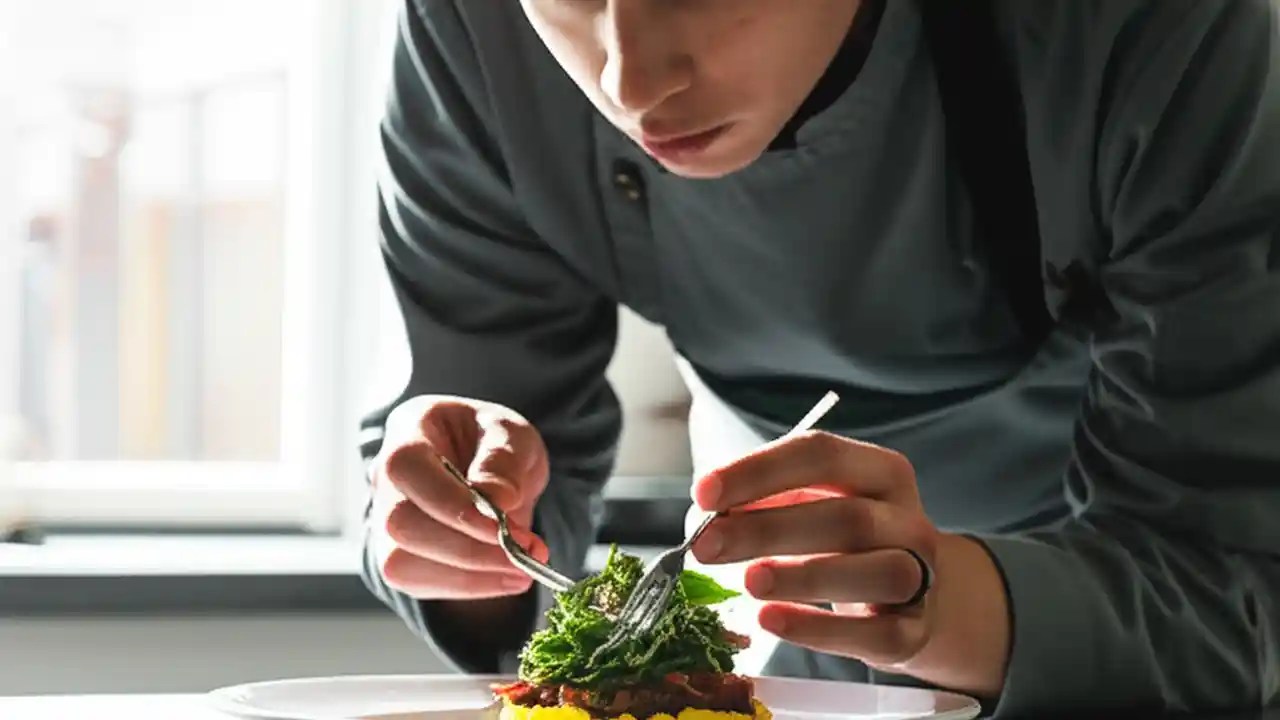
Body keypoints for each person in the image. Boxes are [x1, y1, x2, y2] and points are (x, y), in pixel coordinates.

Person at [357, 0, 1280, 716]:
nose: (632, 80)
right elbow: (483, 415)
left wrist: (946, 607)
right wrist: (457, 531)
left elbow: (1233, 577)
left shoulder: (1158, 30)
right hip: (782, 667)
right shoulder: (473, 30)